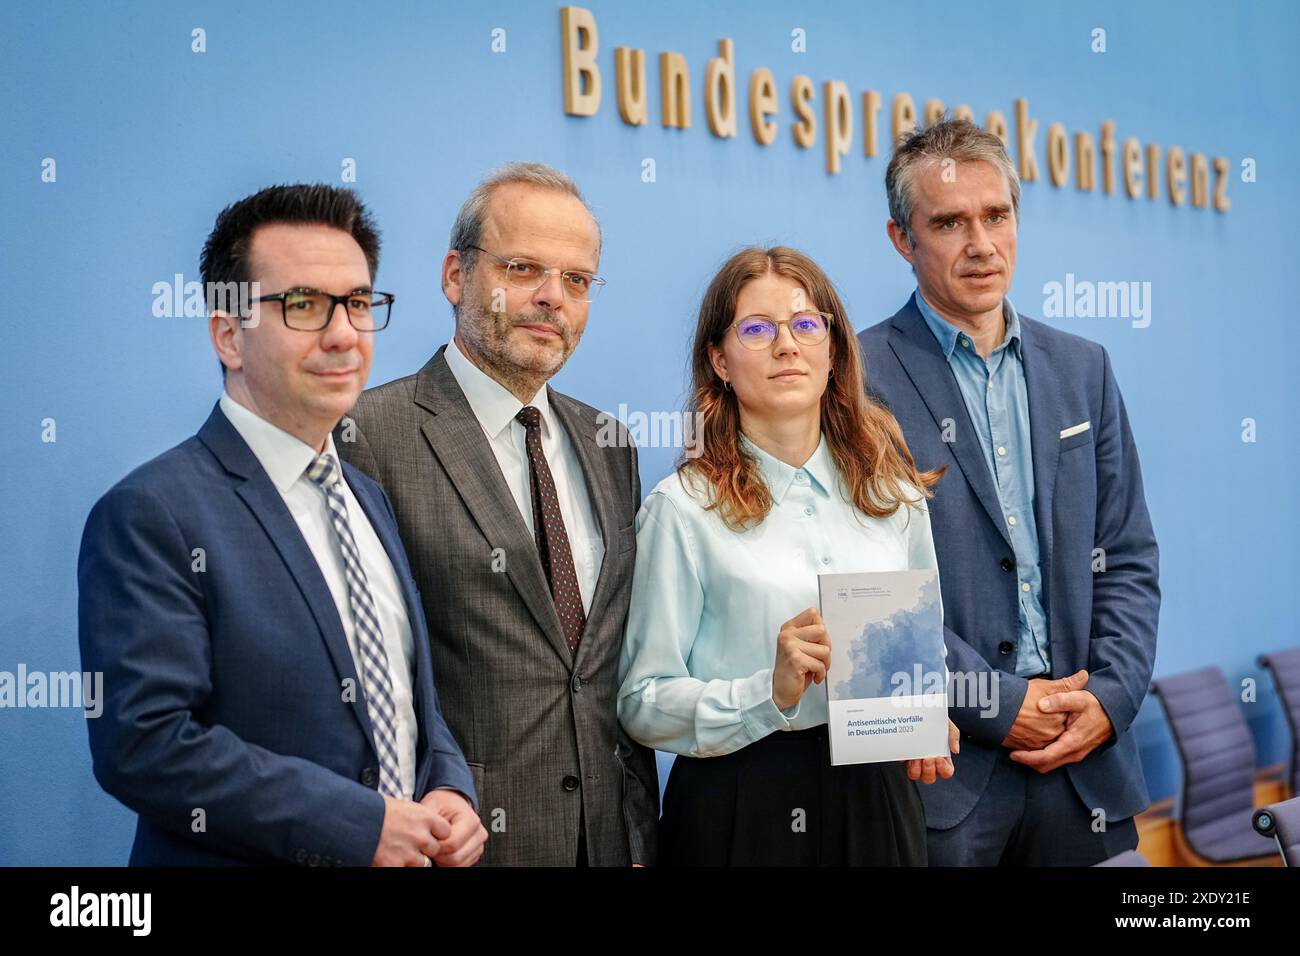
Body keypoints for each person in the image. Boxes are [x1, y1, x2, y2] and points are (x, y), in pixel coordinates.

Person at [78, 184, 485, 867]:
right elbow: (143, 745)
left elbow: (407, 694)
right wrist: (355, 824)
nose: (343, 334)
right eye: (303, 305)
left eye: (358, 303)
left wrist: (449, 783)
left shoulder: (367, 498)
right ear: (228, 333)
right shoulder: (152, 512)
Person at [336, 163, 659, 866]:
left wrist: (636, 829)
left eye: (577, 281)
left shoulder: (612, 446)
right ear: (456, 275)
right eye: (522, 268)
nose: (553, 299)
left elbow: (605, 672)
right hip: (459, 845)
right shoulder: (365, 437)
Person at [857, 119, 1160, 865]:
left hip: (1083, 762)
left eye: (996, 216)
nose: (981, 243)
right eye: (950, 223)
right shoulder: (857, 379)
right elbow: (867, 590)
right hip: (946, 777)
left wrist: (1111, 700)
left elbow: (1125, 555)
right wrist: (1000, 704)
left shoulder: (1083, 368)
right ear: (902, 239)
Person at [618, 245, 959, 866]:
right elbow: (642, 702)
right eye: (756, 329)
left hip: (879, 801)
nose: (786, 345)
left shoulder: (895, 496)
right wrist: (766, 692)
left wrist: (925, 716)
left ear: (833, 349)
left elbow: (926, 651)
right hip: (742, 804)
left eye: (806, 324)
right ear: (719, 360)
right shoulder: (683, 510)